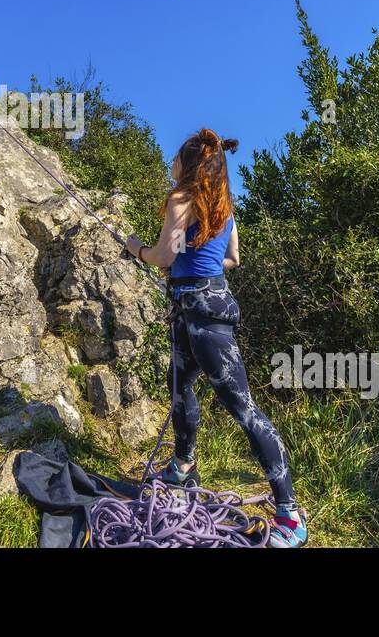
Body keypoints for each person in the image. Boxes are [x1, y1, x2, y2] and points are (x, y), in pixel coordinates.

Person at [125, 128, 308, 547]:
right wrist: (189, 262)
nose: (170, 163)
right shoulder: (224, 208)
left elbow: (162, 257)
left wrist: (136, 247)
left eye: (176, 157)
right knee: (182, 387)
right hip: (209, 305)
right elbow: (231, 259)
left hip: (198, 312)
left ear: (188, 165)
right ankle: (182, 468)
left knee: (243, 408)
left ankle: (290, 516)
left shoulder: (180, 199)